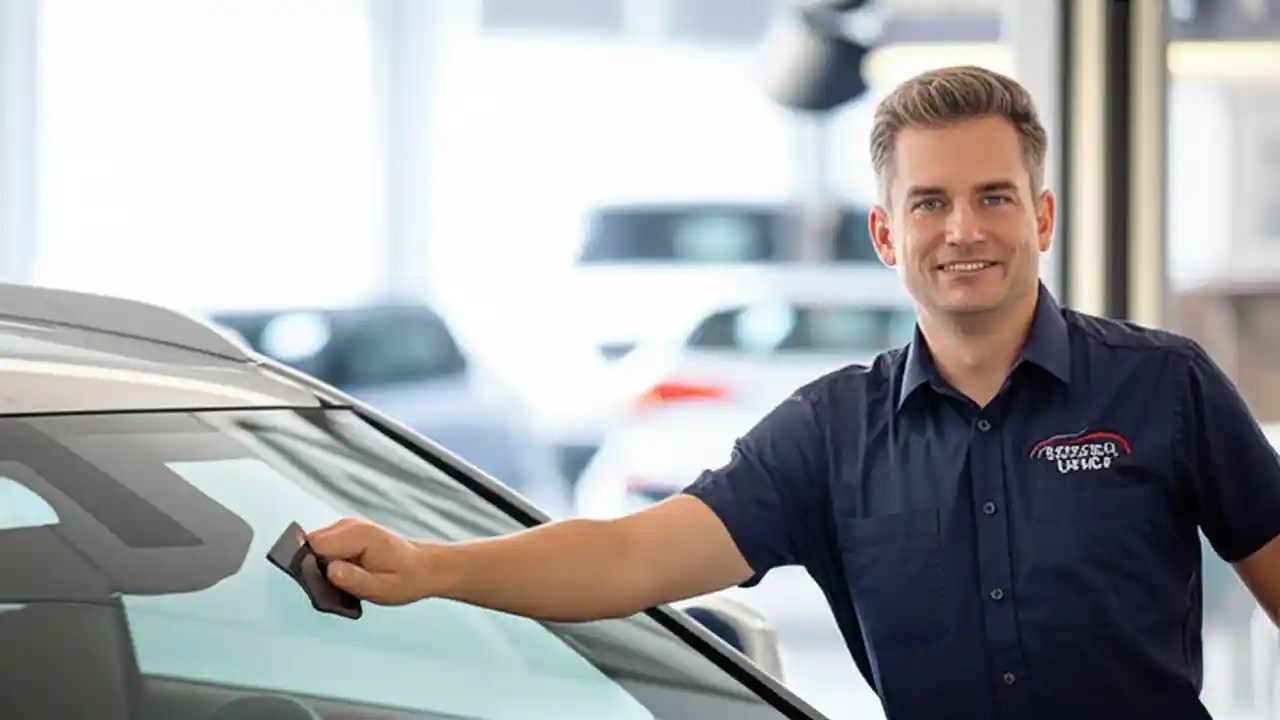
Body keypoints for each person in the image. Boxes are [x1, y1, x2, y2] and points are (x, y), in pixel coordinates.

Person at [307, 66, 1280, 719]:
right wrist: (432, 567)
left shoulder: (1164, 385)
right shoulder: (828, 434)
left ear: (1041, 216)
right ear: (885, 235)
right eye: (928, 203)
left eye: (991, 197)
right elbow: (628, 556)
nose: (962, 230)